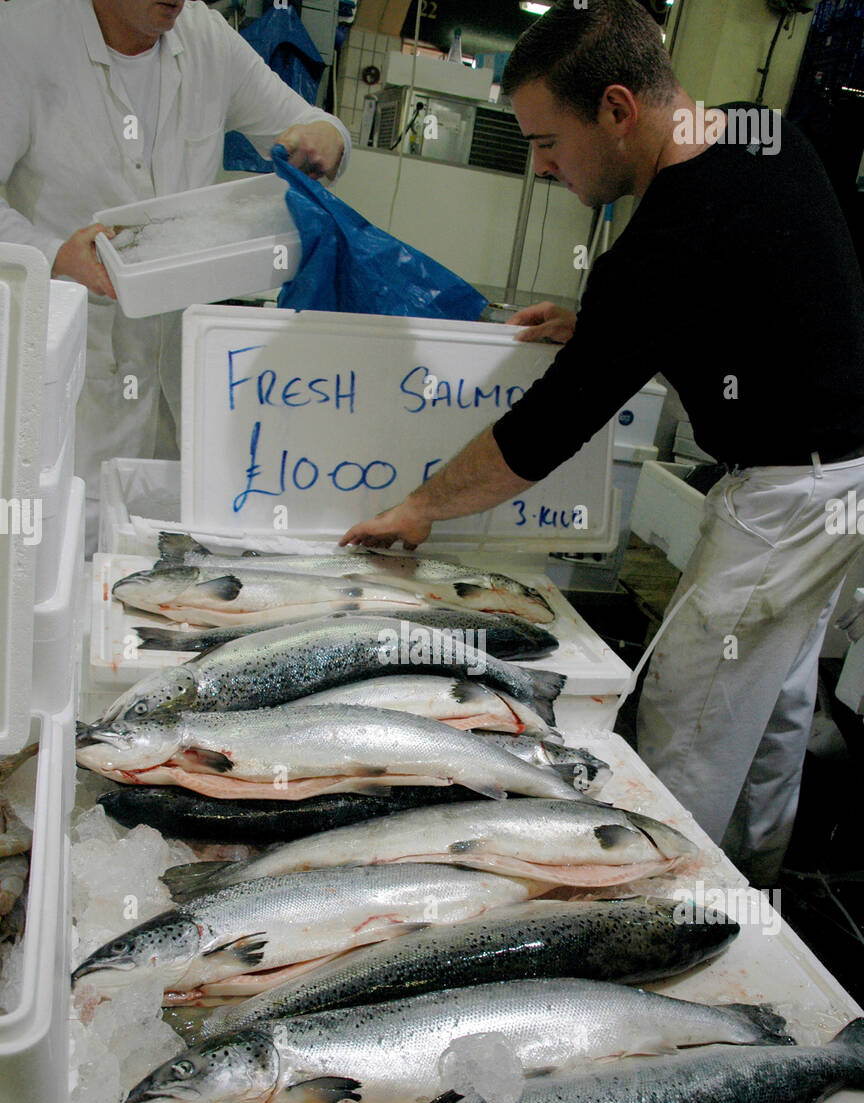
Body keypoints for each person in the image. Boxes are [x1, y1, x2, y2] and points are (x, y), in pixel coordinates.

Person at [339, 0, 864, 887]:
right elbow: (758, 299)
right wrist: (602, 324)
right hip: (841, 476)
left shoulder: (666, 240)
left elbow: (547, 426)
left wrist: (423, 505)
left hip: (783, 503)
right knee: (774, 703)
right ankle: (755, 886)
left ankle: (661, 906)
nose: (542, 168)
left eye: (547, 143)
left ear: (619, 109)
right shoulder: (760, 134)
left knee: (690, 725)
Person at [0, 0, 350, 554]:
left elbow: (311, 123)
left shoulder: (204, 37)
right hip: (68, 377)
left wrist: (328, 139)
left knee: (153, 568)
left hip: (176, 382)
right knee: (55, 558)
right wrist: (53, 255)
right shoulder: (23, 33)